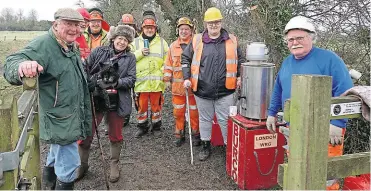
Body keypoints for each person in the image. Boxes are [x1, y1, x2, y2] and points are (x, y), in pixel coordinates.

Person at [3, 8, 92, 190]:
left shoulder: (69, 45)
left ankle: (49, 183)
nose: (74, 29)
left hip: (69, 115)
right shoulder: (45, 44)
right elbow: (11, 62)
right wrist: (23, 65)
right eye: (68, 24)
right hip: (59, 118)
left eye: (77, 25)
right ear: (56, 24)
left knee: (55, 154)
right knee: (69, 163)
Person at [265, 16, 353, 190]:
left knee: (325, 176)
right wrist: (271, 113)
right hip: (295, 129)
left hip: (325, 131)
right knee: (298, 170)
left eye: (300, 38)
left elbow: (346, 92)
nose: (295, 42)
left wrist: (337, 123)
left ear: (311, 37)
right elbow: (278, 89)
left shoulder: (329, 60)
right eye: (291, 39)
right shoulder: (287, 62)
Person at [181, 7, 246, 161]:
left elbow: (242, 61)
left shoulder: (232, 40)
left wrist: (240, 76)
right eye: (211, 23)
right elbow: (185, 59)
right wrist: (186, 77)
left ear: (221, 22)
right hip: (202, 90)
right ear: (206, 24)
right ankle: (205, 146)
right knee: (205, 119)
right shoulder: (197, 40)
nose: (214, 25)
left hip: (226, 90)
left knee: (225, 120)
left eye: (216, 22)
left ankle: (228, 148)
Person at [76, 25, 136, 183]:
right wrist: (91, 81)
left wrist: (116, 83)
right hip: (97, 97)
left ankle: (114, 164)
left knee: (115, 134)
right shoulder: (99, 52)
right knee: (87, 132)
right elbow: (84, 66)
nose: (122, 42)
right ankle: (82, 164)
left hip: (118, 100)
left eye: (125, 40)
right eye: (119, 38)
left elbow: (131, 79)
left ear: (128, 42)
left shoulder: (130, 58)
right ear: (113, 38)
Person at [164, 17, 201, 147]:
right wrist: (167, 80)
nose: (184, 31)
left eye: (186, 29)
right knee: (178, 112)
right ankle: (179, 134)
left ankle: (196, 134)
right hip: (177, 88)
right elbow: (168, 65)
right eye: (181, 29)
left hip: (194, 87)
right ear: (177, 30)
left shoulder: (198, 45)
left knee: (194, 112)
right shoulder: (173, 46)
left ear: (191, 31)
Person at [131, 10, 169, 138]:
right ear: (142, 28)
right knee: (141, 107)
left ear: (155, 28)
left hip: (157, 83)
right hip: (140, 83)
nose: (149, 30)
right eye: (147, 27)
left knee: (156, 106)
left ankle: (156, 126)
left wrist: (164, 72)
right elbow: (128, 59)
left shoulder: (162, 42)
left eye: (151, 27)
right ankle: (142, 127)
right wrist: (140, 53)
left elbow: (168, 59)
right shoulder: (135, 42)